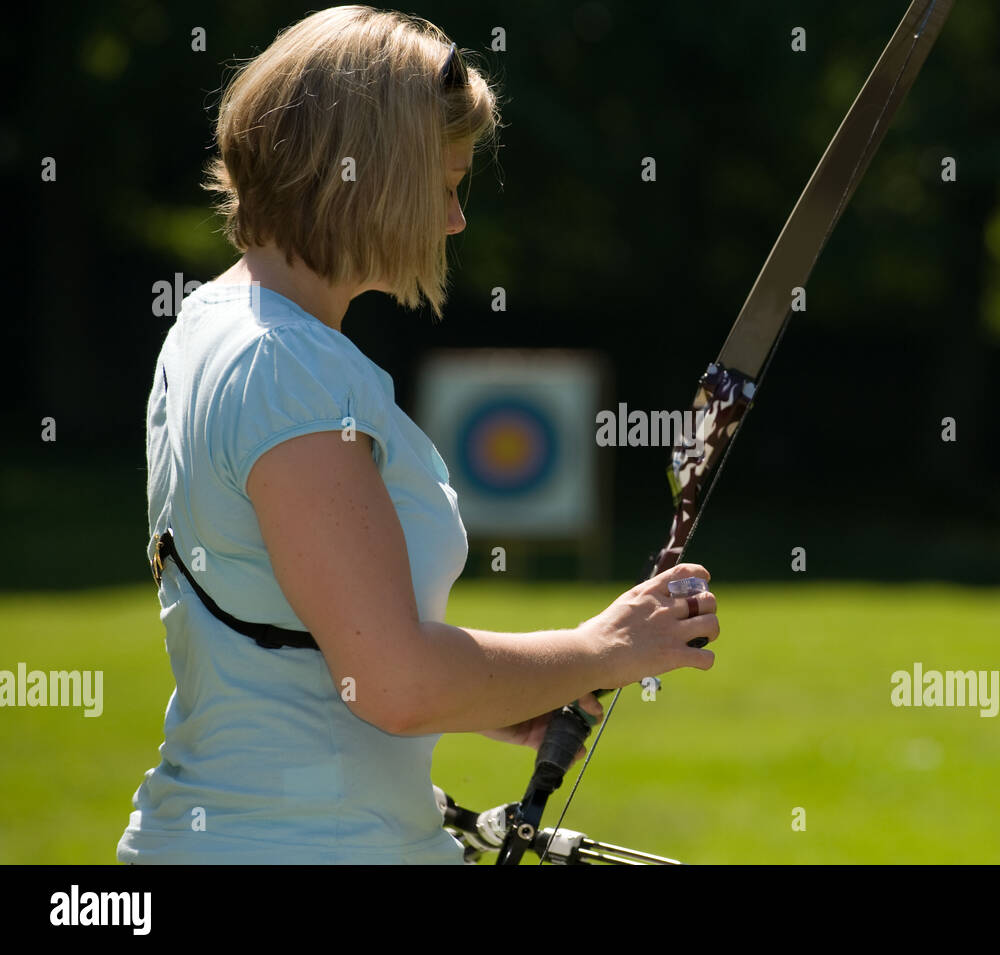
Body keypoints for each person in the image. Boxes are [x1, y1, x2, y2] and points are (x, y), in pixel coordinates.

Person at [117, 5, 718, 865]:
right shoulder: (286, 364)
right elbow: (392, 682)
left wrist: (506, 692)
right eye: (445, 185)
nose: (455, 220)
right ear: (370, 177)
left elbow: (302, 640)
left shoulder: (218, 325)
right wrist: (605, 647)